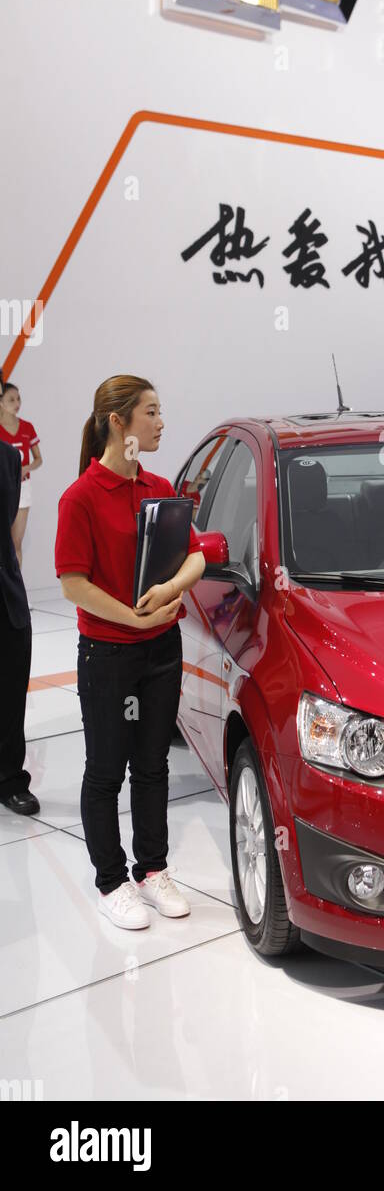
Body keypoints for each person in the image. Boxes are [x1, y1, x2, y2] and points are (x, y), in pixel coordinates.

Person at [54, 375, 206, 931]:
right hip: (109, 655)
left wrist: (169, 592)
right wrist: (132, 616)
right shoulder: (81, 497)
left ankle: (153, 869)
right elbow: (73, 582)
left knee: (152, 765)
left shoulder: (160, 487)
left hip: (161, 650)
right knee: (104, 770)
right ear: (118, 422)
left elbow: (196, 556)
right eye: (151, 412)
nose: (161, 422)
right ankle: (111, 879)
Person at [0, 437, 38, 814]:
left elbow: (12, 533)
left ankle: (9, 777)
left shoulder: (10, 457)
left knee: (10, 692)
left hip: (5, 589)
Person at [0, 374, 42, 573]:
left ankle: (16, 591)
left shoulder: (27, 427)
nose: (17, 403)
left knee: (15, 543)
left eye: (18, 398)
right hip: (2, 486)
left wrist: (24, 469)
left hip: (22, 487)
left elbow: (38, 459)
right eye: (11, 399)